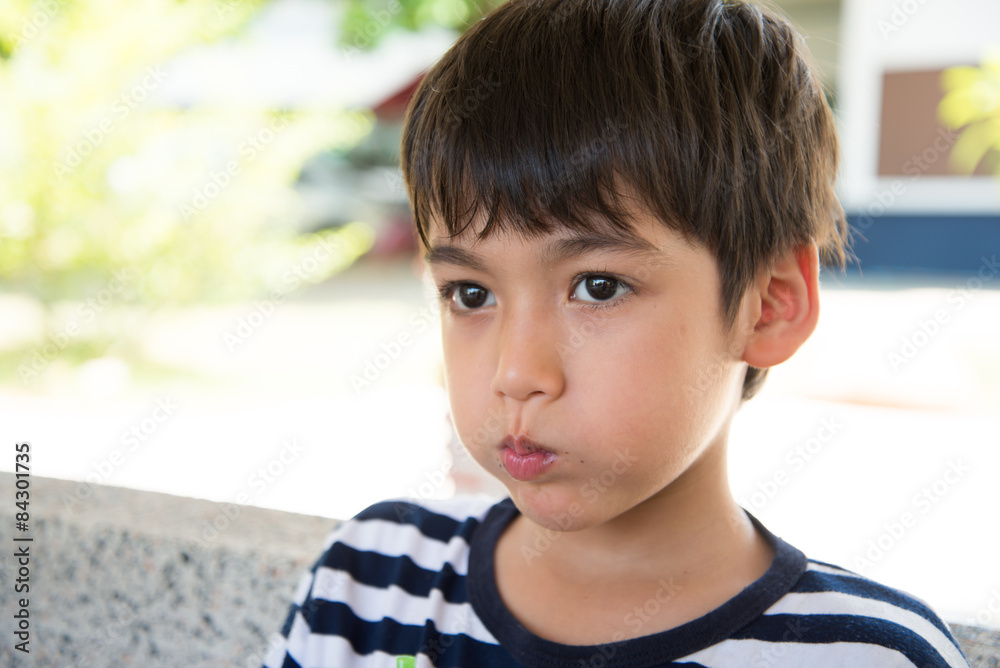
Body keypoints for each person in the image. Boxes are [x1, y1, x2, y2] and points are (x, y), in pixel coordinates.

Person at [264, 0, 971, 665]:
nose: (516, 374)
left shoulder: (864, 654)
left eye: (598, 287)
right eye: (470, 294)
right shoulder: (370, 585)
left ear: (769, 305)